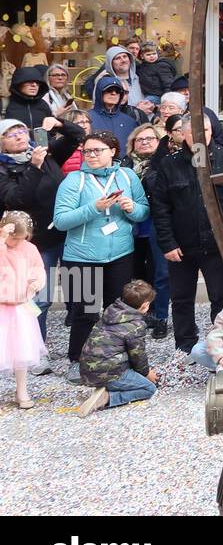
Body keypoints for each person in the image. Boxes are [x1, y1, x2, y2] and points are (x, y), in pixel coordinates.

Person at [53, 131, 150, 383]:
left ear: (113, 152)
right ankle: (77, 360)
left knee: (117, 311)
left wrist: (132, 209)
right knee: (85, 313)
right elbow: (60, 220)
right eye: (87, 151)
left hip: (120, 254)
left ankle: (115, 360)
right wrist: (94, 208)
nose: (91, 155)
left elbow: (143, 211)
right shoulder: (74, 179)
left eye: (98, 150)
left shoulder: (127, 175)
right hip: (82, 256)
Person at [149, 115, 223, 357]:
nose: (201, 135)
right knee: (181, 298)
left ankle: (222, 344)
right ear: (183, 134)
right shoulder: (169, 164)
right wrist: (167, 243)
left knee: (220, 296)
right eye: (194, 131)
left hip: (217, 244)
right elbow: (160, 208)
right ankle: (186, 346)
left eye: (205, 129)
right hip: (182, 245)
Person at [0, 115, 83, 362]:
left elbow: (78, 136)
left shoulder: (45, 153)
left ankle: (83, 350)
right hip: (37, 242)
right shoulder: (4, 168)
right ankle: (36, 352)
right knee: (40, 297)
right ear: (2, 142)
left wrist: (59, 123)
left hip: (69, 232)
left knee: (84, 291)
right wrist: (34, 168)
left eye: (21, 131)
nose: (19, 136)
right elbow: (16, 200)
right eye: (11, 134)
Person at [75, 279, 159, 417]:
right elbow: (138, 355)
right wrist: (146, 373)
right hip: (111, 373)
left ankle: (107, 388)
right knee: (149, 389)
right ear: (145, 306)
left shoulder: (110, 312)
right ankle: (108, 398)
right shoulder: (135, 325)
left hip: (87, 371)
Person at [124, 123, 169, 339]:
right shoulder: (124, 165)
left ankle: (160, 316)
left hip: (156, 224)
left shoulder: (165, 163)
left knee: (159, 273)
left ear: (159, 141)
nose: (144, 142)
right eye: (139, 139)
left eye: (149, 138)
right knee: (135, 274)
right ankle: (138, 314)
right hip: (131, 226)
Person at [0, 211, 46, 409]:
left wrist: (36, 283)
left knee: (22, 350)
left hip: (21, 306)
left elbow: (38, 269)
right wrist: (2, 240)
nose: (16, 242)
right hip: (2, 305)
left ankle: (22, 389)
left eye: (21, 238)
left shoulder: (29, 249)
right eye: (13, 238)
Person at [89, 79, 144, 156]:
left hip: (125, 163)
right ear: (100, 92)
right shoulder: (87, 118)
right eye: (109, 90)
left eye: (118, 91)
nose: (114, 93)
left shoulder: (130, 121)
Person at [90, 45, 149, 113]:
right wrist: (137, 111)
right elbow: (101, 109)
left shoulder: (140, 76)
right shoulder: (105, 82)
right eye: (118, 58)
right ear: (110, 63)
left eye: (125, 56)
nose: (123, 60)